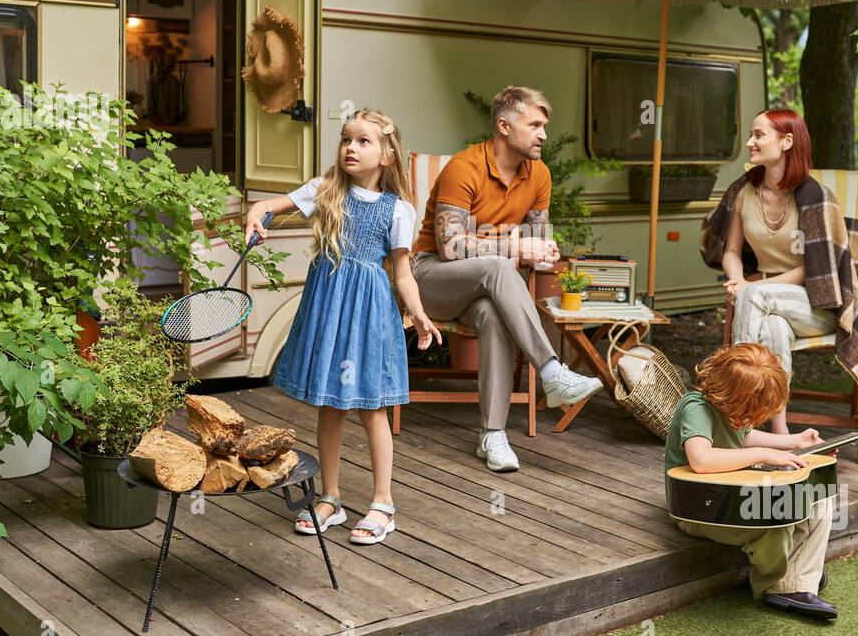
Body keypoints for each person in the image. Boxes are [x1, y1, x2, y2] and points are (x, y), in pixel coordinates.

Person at [244, 108, 441, 545]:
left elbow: (403, 273)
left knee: (373, 406)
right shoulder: (326, 190)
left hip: (369, 314)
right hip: (328, 309)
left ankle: (383, 503)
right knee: (330, 405)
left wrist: (420, 313)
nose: (350, 147)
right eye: (346, 139)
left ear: (387, 155)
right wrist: (258, 213)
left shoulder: (398, 210)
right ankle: (330, 498)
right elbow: (271, 207)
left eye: (363, 141)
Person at [411, 86, 604, 473]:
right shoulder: (463, 169)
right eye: (534, 124)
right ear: (504, 125)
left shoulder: (540, 174)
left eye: (544, 126)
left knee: (494, 315)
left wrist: (543, 250)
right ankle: (552, 373)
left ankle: (492, 434)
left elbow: (536, 240)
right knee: (501, 265)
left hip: (482, 287)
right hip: (431, 277)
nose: (543, 134)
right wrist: (514, 248)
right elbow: (450, 246)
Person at [699, 108, 858, 435]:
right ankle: (778, 431)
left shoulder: (817, 199)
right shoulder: (743, 192)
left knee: (755, 297)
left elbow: (813, 269)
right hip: (764, 302)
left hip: (817, 307)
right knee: (773, 330)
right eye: (751, 135)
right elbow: (730, 251)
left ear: (786, 141)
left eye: (759, 135)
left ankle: (733, 410)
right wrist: (738, 278)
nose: (750, 142)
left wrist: (752, 289)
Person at [665, 343, 838, 620]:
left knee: (818, 495)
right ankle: (775, 585)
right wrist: (762, 455)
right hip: (701, 508)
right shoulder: (695, 407)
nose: (764, 414)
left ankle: (797, 582)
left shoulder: (729, 407)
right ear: (735, 396)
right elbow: (701, 459)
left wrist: (795, 441)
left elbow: (743, 437)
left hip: (730, 498)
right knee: (773, 520)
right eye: (756, 407)